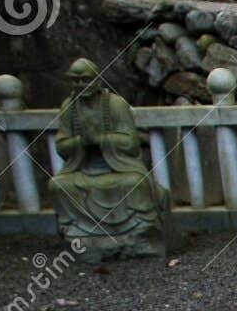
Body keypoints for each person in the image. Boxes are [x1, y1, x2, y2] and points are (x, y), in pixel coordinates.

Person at [49, 59, 168, 256]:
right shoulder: (69, 107)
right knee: (58, 186)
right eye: (76, 81)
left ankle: (141, 232)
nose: (81, 85)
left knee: (136, 183)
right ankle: (80, 235)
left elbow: (131, 142)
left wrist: (101, 139)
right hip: (84, 167)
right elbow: (61, 145)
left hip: (118, 167)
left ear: (97, 80)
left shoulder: (115, 104)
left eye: (86, 79)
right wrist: (81, 142)